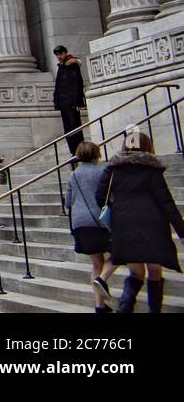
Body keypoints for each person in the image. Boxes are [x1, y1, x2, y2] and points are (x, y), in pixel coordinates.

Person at [97, 132, 184, 313]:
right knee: (154, 269)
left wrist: (118, 207)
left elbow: (100, 196)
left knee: (135, 270)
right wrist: (181, 229)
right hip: (151, 222)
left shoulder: (112, 169)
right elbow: (165, 201)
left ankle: (125, 308)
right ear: (147, 146)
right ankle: (154, 310)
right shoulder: (151, 169)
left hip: (123, 222)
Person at [65, 140, 115, 312]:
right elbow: (111, 195)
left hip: (80, 222)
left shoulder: (74, 175)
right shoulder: (103, 171)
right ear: (97, 154)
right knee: (120, 252)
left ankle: (100, 306)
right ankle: (102, 279)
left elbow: (67, 201)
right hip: (100, 220)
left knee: (96, 264)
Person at [53, 45, 85, 156]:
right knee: (68, 130)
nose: (58, 56)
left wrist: (77, 102)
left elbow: (78, 84)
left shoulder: (72, 65)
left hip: (71, 104)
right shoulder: (61, 67)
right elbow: (58, 86)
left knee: (75, 128)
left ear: (65, 52)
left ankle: (79, 152)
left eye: (60, 53)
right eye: (57, 54)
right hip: (63, 104)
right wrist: (56, 101)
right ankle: (73, 152)